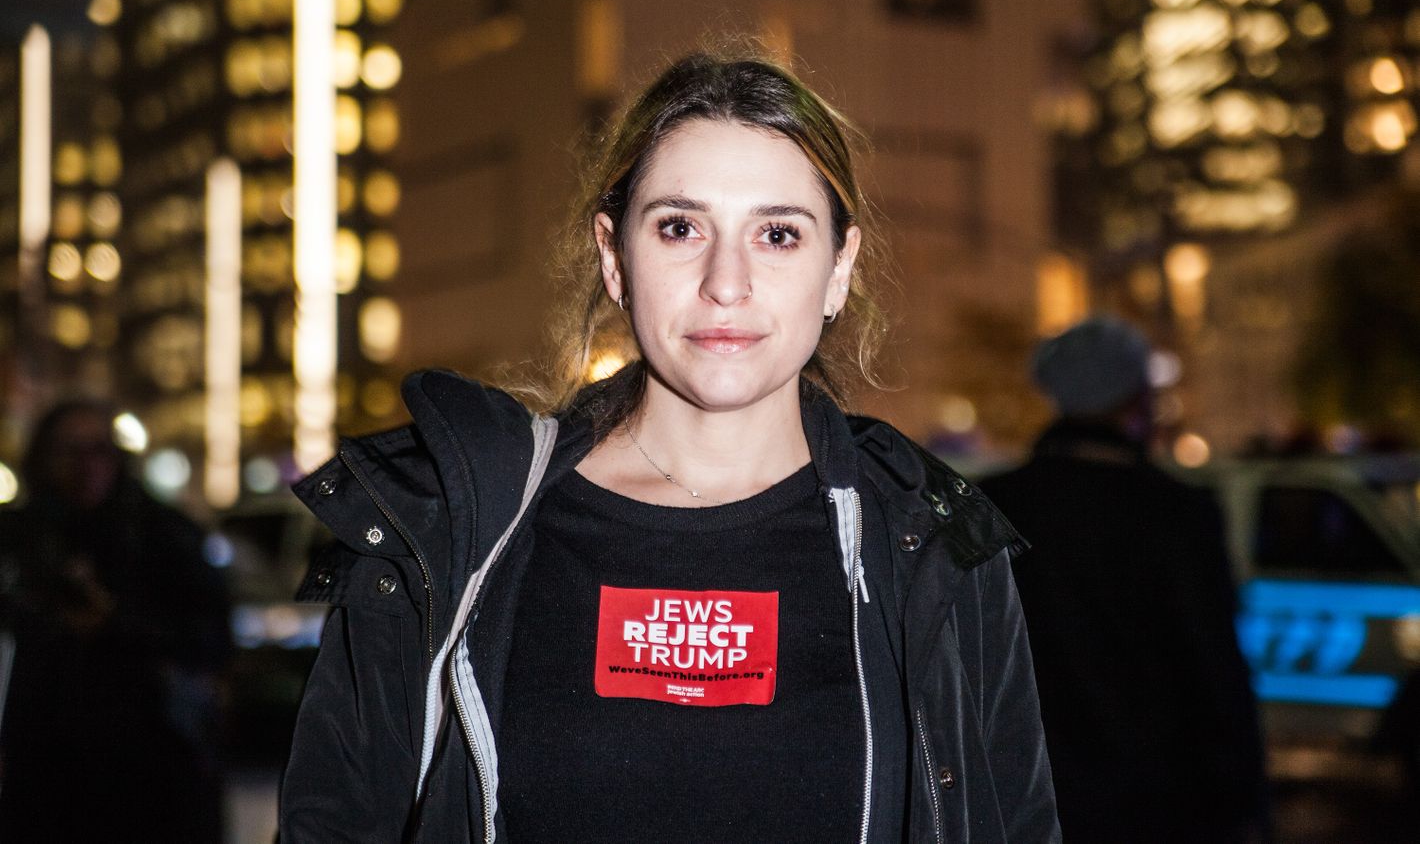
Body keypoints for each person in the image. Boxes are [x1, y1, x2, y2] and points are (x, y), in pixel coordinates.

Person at [279, 51, 1059, 842]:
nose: (727, 281)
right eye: (681, 227)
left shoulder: (933, 544)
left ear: (838, 268)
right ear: (616, 256)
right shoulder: (442, 531)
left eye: (779, 234)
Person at [980, 316, 1269, 843]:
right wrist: (1244, 799)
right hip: (1162, 802)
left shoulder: (993, 505)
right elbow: (1212, 664)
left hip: (1027, 795)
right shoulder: (1177, 513)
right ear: (1137, 398)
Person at [0, 399, 232, 842]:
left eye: (99, 450)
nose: (86, 466)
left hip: (151, 772)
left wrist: (114, 621)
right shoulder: (21, 540)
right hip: (45, 776)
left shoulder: (162, 536)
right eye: (70, 451)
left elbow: (207, 639)